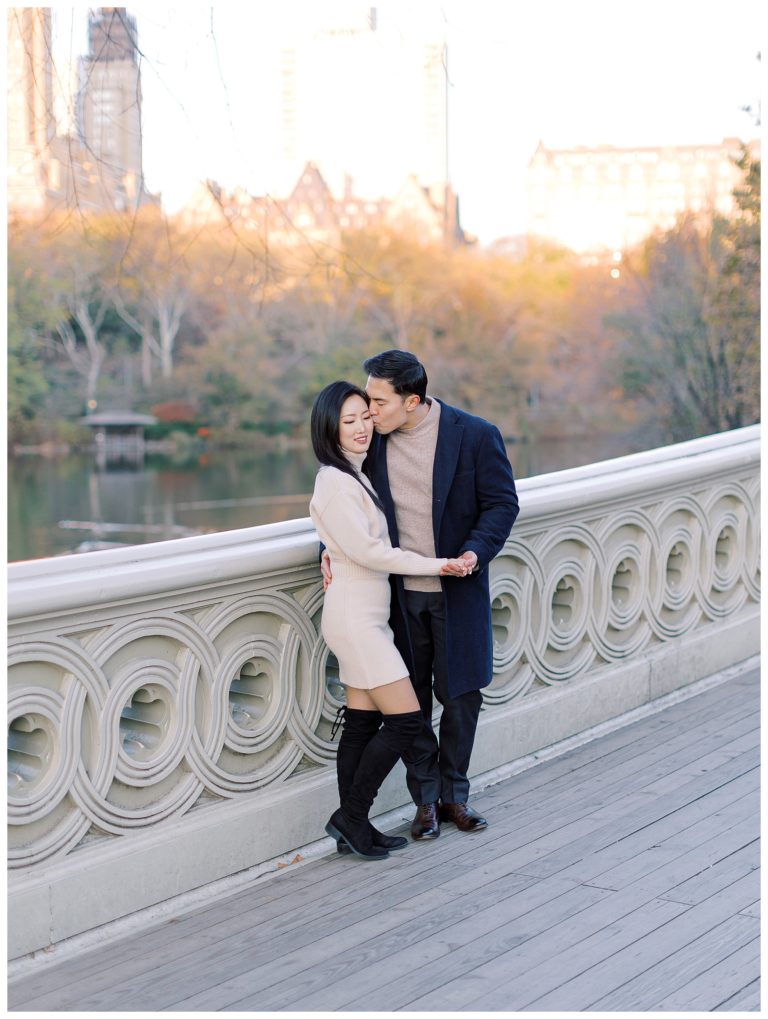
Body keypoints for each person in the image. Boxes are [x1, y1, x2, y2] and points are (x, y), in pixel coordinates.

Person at [322, 350, 519, 840]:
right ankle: (425, 802)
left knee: (461, 698)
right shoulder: (373, 446)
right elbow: (345, 503)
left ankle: (456, 796)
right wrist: (326, 548)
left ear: (412, 401)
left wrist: (475, 552)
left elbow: (501, 504)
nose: (369, 412)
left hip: (458, 592)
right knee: (410, 704)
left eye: (377, 401)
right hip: (396, 599)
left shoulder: (475, 435)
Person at [309, 380, 470, 861]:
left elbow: (347, 542)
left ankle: (353, 828)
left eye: (365, 417)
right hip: (357, 624)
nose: (362, 428)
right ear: (329, 429)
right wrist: (438, 564)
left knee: (361, 725)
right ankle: (352, 817)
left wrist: (328, 548)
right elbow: (372, 552)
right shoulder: (336, 482)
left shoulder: (354, 474)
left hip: (363, 619)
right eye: (349, 421)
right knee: (404, 721)